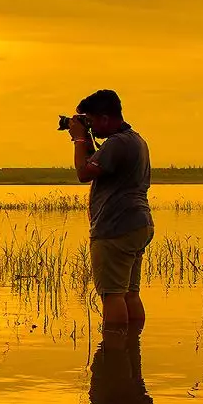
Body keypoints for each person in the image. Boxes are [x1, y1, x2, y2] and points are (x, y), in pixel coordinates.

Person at [66, 89, 153, 329]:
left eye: (91, 121)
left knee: (112, 295)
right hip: (137, 225)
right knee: (129, 294)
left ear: (105, 118)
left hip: (115, 228)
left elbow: (84, 173)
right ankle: (132, 350)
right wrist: (86, 140)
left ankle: (114, 354)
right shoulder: (135, 140)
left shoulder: (117, 143)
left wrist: (79, 140)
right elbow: (98, 164)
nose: (91, 127)